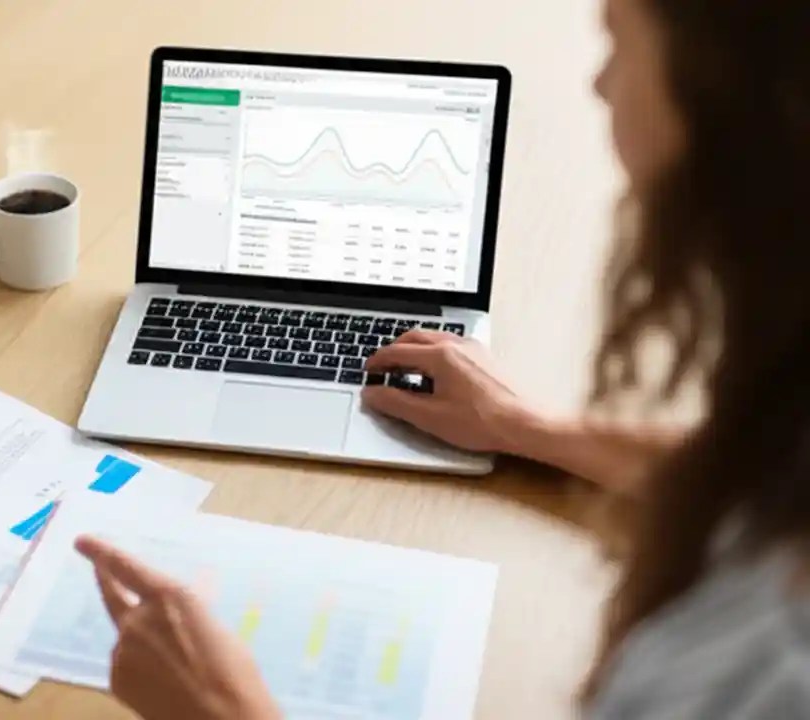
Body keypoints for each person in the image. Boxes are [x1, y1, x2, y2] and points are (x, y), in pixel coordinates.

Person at [76, 0, 810, 717]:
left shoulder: (768, 674)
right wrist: (529, 427)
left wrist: (225, 709)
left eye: (618, 42)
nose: (599, 84)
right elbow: (755, 477)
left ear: (717, 92)